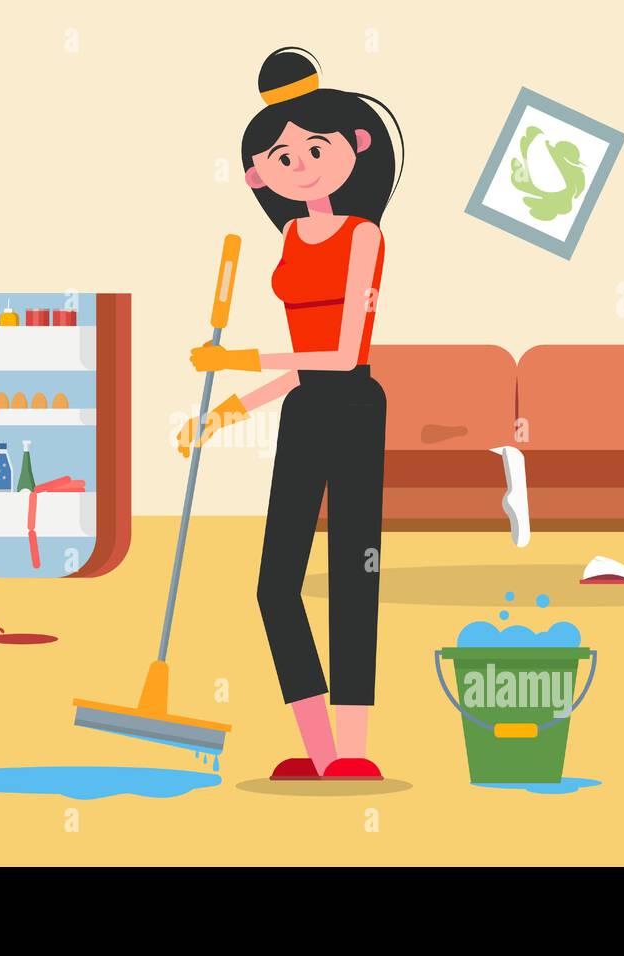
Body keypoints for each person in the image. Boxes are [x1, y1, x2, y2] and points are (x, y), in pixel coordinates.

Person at [177, 48, 403, 780]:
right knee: (275, 585)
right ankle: (319, 751)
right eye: (282, 156)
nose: (299, 164)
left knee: (352, 573)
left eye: (314, 148)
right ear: (259, 175)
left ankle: (355, 752)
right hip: (306, 407)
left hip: (354, 404)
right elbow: (304, 365)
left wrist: (238, 360)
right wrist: (226, 412)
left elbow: (339, 353)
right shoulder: (287, 239)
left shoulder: (364, 237)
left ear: (355, 148)